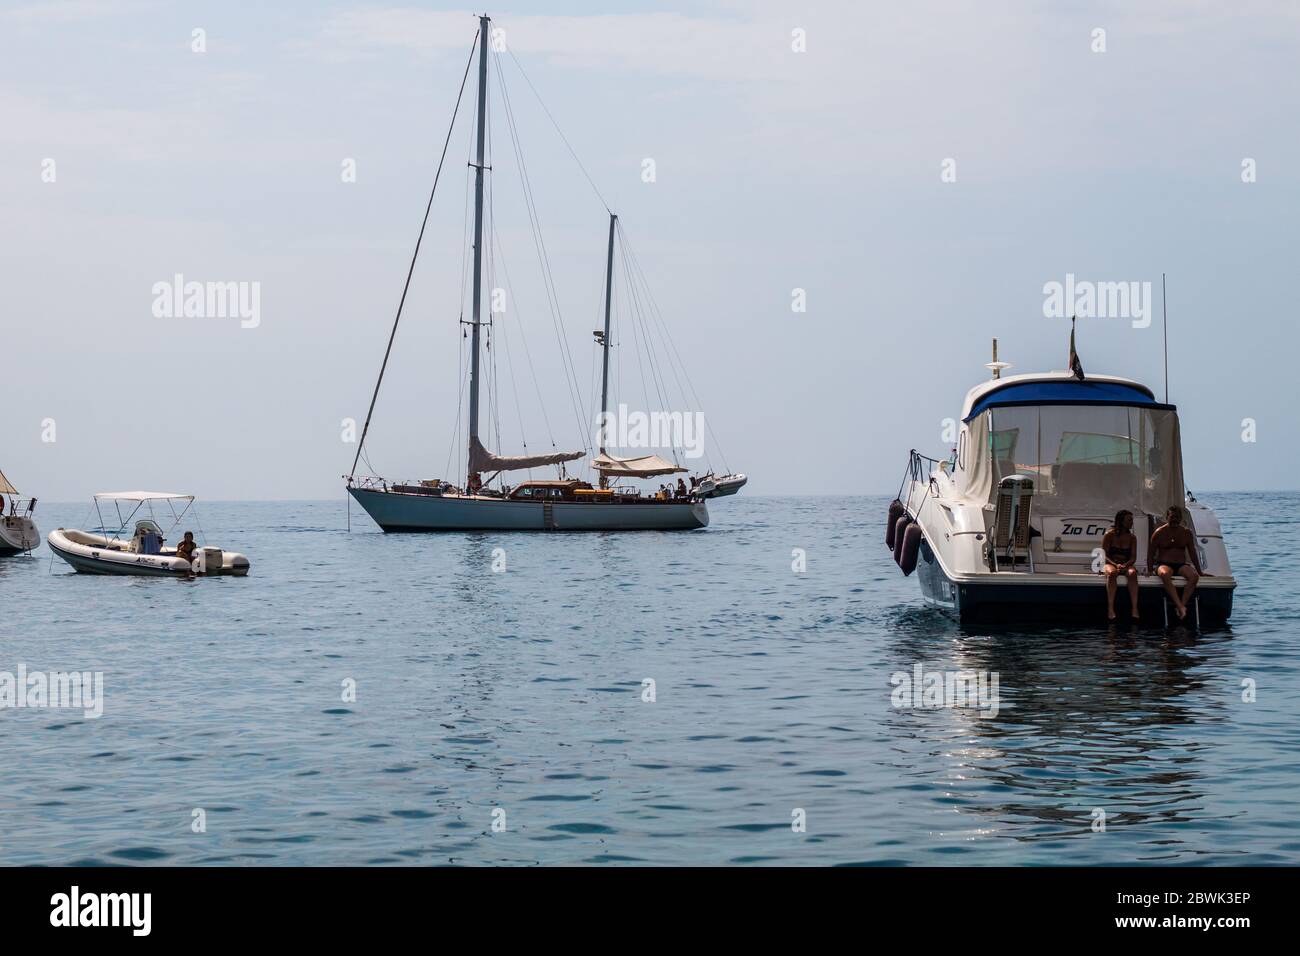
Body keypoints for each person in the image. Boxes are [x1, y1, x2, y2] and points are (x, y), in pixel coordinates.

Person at [1148, 505, 1206, 620]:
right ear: (1167, 517)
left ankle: (1181, 605)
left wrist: (1200, 571)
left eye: (1177, 517)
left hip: (1180, 565)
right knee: (1165, 574)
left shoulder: (1186, 533)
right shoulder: (1159, 533)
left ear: (1180, 518)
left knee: (1194, 577)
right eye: (1172, 517)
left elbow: (1193, 554)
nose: (1175, 519)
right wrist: (1150, 570)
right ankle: (1180, 606)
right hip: (1163, 564)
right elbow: (1150, 554)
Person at [1101, 510, 1140, 621]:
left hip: (1126, 564)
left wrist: (1125, 565)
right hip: (1110, 563)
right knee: (1112, 573)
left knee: (1132, 573)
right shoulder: (1109, 535)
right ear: (1121, 521)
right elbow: (1103, 555)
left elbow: (1133, 557)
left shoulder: (1132, 538)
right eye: (1129, 520)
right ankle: (1110, 608)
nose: (1132, 522)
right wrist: (1115, 564)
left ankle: (1134, 608)